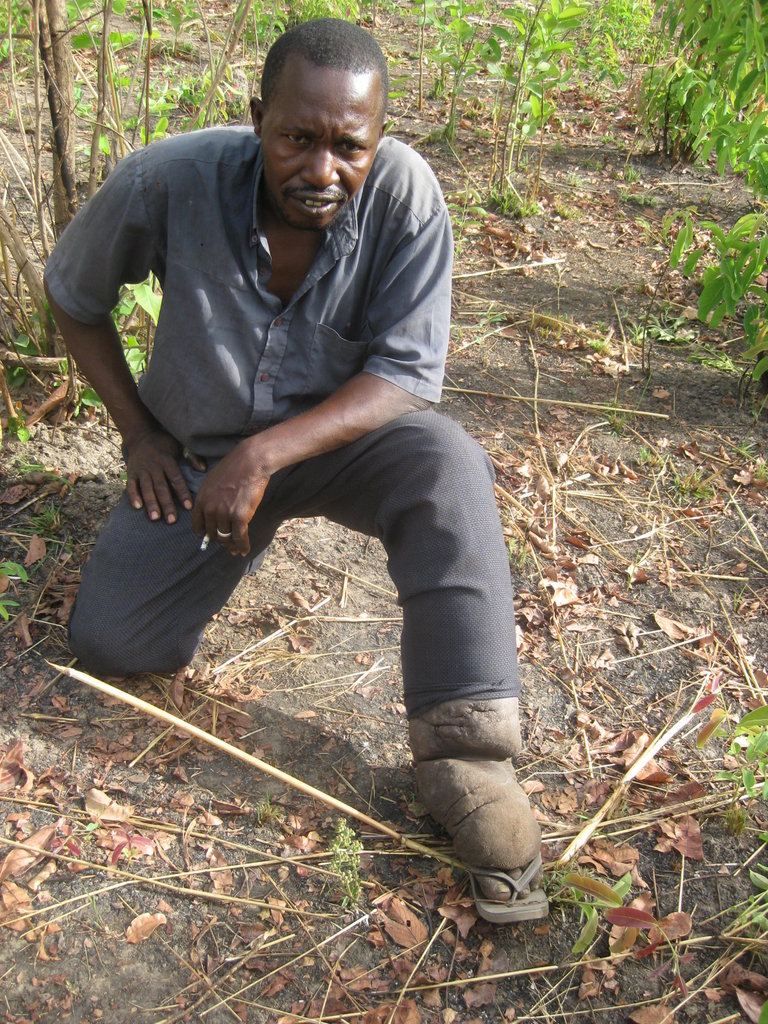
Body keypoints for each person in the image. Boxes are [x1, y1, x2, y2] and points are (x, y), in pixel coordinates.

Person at [43, 18, 546, 923]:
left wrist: (267, 453)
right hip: (197, 456)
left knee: (447, 463)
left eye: (348, 145)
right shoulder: (169, 181)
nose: (322, 170)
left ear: (377, 138)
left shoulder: (407, 197)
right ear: (256, 120)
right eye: (297, 139)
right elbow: (74, 298)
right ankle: (236, 529)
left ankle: (468, 756)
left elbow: (404, 373)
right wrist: (139, 437)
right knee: (112, 643)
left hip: (337, 449)